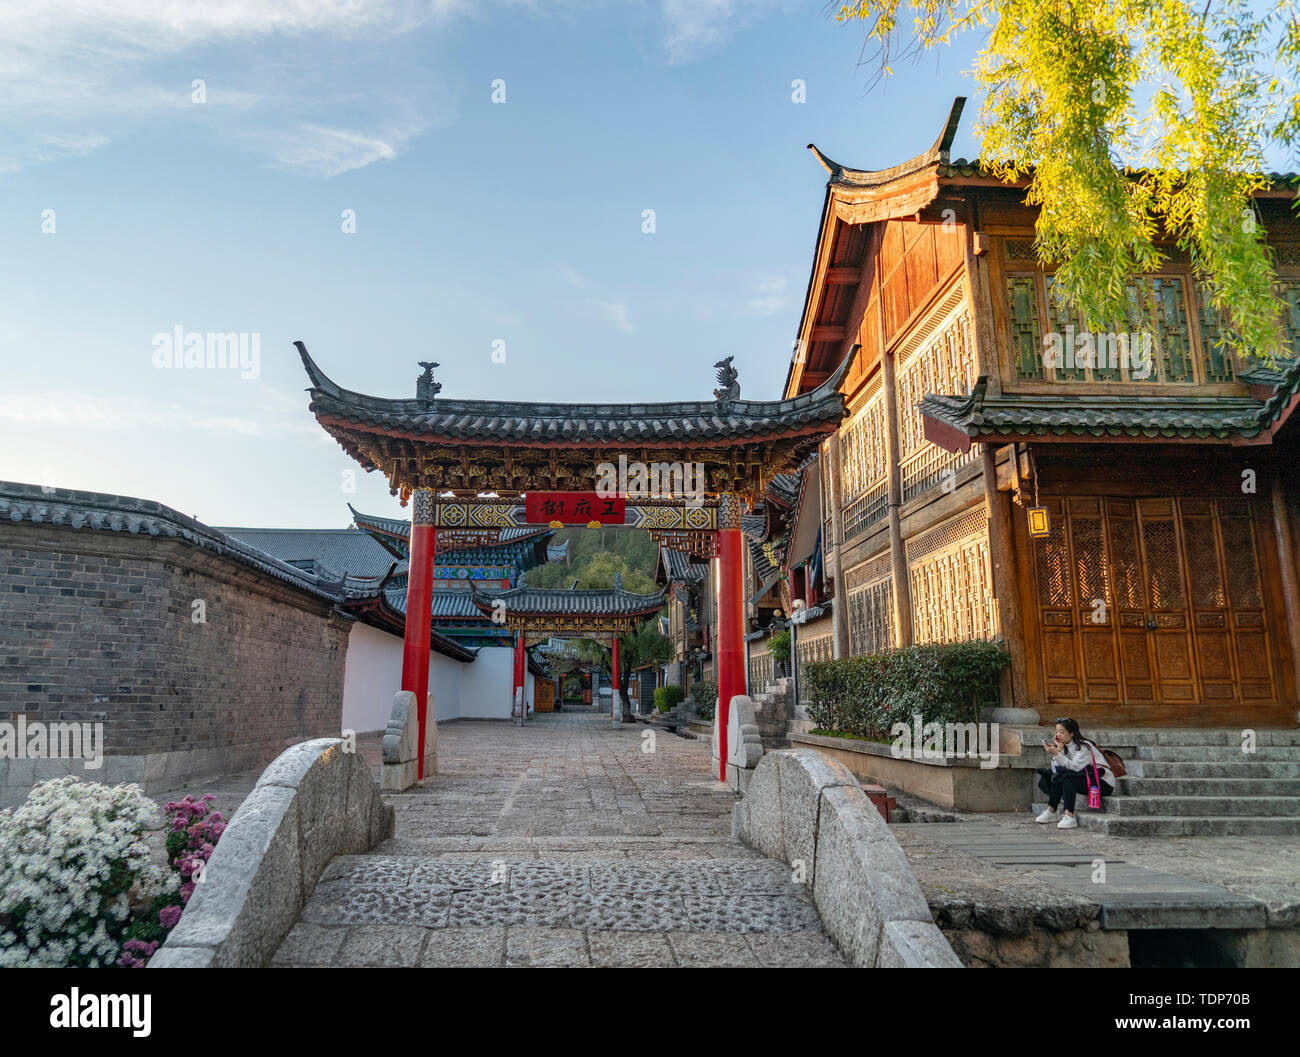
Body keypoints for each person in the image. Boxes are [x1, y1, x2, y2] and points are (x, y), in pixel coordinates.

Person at [1034, 717, 1114, 829]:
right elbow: (1056, 769)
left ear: (1071, 733)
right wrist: (1059, 750)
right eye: (1057, 731)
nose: (1058, 735)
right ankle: (1051, 812)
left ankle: (1069, 816)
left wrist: (1057, 753)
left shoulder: (1084, 746)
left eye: (1062, 732)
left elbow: (1075, 767)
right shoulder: (1065, 747)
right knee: (1058, 776)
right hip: (1086, 778)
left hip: (1102, 782)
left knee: (1067, 778)